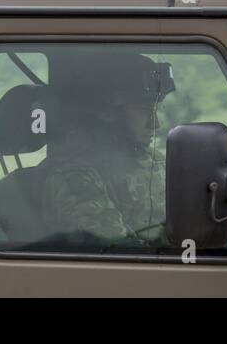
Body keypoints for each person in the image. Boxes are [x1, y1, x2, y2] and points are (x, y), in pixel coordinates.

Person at [39, 52, 175, 249]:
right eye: (144, 110)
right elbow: (122, 256)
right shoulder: (73, 179)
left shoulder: (154, 160)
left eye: (155, 110)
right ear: (107, 112)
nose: (156, 124)